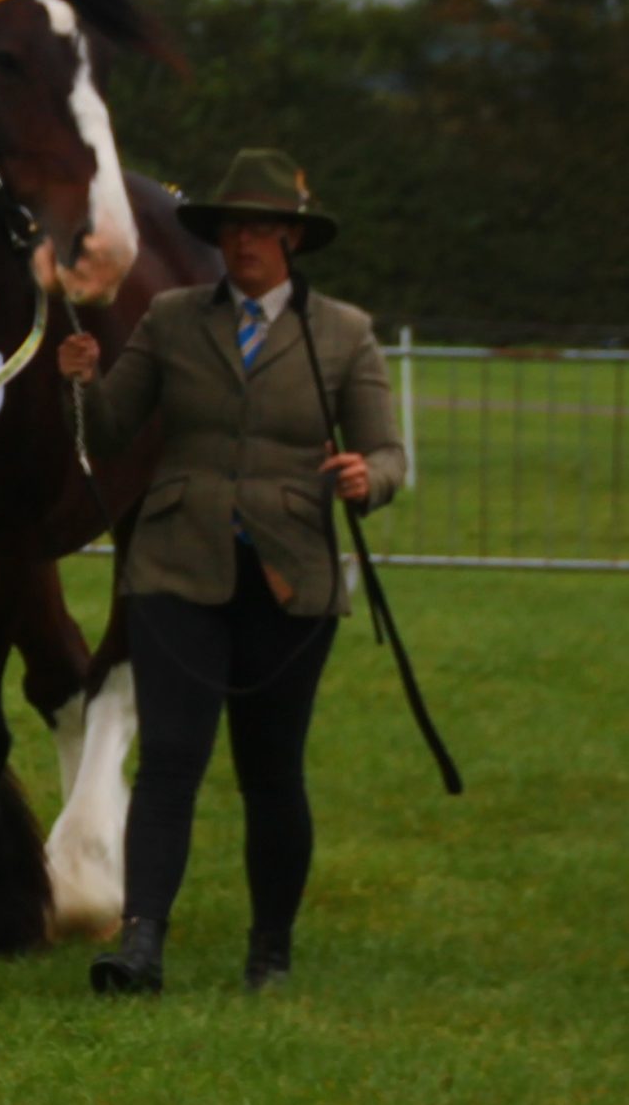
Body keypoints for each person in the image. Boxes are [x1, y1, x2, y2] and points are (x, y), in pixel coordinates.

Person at [56, 149, 405, 996]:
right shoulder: (174, 319)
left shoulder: (344, 333)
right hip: (177, 567)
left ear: (291, 236)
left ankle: (270, 953)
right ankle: (141, 946)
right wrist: (84, 381)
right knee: (173, 758)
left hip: (293, 583)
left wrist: (372, 478)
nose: (244, 243)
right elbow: (109, 432)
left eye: (261, 228)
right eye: (232, 228)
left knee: (272, 771)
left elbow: (388, 450)